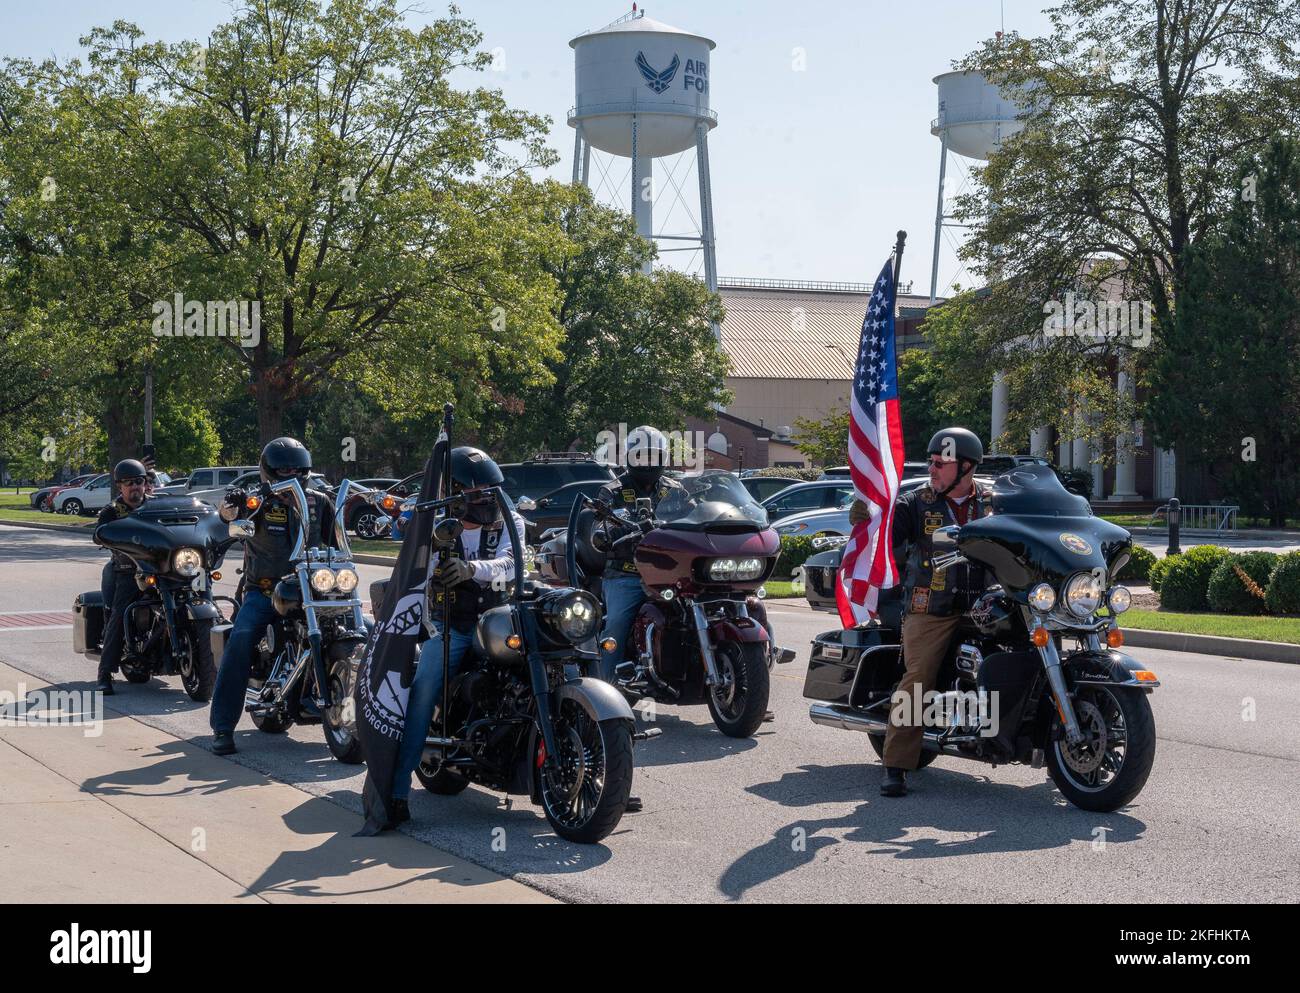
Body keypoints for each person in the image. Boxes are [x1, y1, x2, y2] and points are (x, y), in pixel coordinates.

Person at [388, 446, 527, 825]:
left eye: (489, 487)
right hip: (455, 626)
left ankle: (607, 763)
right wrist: (436, 556)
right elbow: (417, 566)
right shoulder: (432, 523)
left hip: (505, 622)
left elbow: (513, 564)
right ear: (453, 489)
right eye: (474, 488)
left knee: (569, 654)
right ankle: (396, 791)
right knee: (423, 692)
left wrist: (471, 570)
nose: (484, 495)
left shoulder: (510, 519)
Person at [869, 427, 991, 797]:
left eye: (941, 463)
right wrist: (868, 518)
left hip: (987, 603)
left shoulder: (993, 501)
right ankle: (896, 765)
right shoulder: (915, 503)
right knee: (919, 675)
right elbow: (885, 538)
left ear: (966, 467)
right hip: (932, 606)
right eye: (931, 462)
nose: (933, 469)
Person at [209, 438, 336, 756]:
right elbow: (234, 527)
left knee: (362, 631)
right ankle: (223, 727)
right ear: (268, 471)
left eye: (296, 469)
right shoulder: (258, 503)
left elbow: (337, 540)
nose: (290, 474)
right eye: (283, 469)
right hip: (265, 591)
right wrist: (231, 511)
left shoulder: (320, 501)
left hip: (313, 591)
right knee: (240, 641)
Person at [592, 426, 686, 684]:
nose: (647, 463)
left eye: (653, 457)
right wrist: (610, 530)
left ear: (663, 458)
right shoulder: (612, 490)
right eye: (641, 456)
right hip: (626, 572)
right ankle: (603, 692)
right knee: (617, 627)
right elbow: (599, 525)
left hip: (673, 574)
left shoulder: (677, 490)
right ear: (630, 458)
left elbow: (699, 514)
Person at [93, 459, 153, 694]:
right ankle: (105, 674)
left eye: (138, 481)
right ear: (120, 486)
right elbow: (99, 534)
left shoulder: (155, 506)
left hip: (159, 569)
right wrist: (104, 534)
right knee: (118, 617)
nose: (135, 487)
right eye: (129, 483)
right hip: (127, 571)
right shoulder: (112, 511)